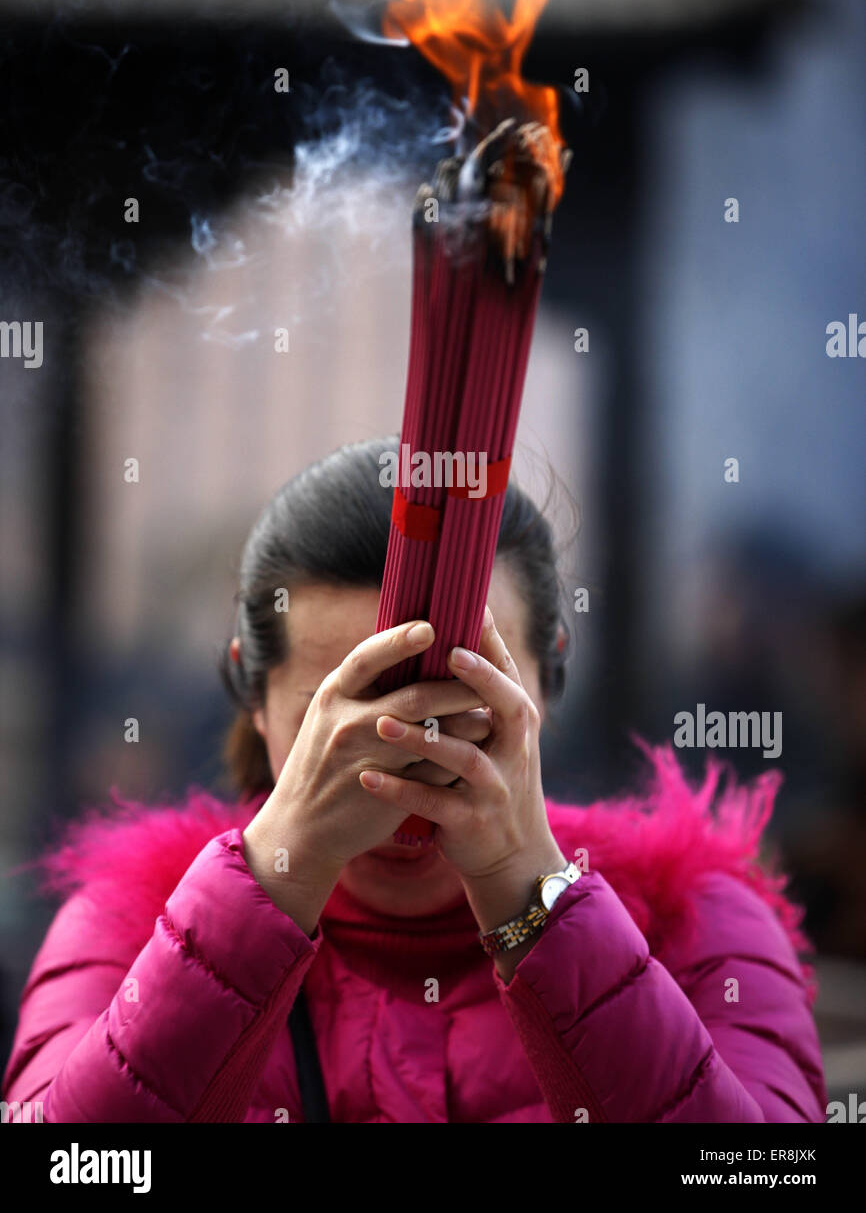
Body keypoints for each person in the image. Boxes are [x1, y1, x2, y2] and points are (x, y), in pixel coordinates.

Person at [2, 438, 827, 1122]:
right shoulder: (135, 923)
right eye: (348, 719)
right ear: (252, 694)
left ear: (547, 684)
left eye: (461, 712)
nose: (404, 775)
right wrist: (263, 893)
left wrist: (533, 901)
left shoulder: (692, 921)